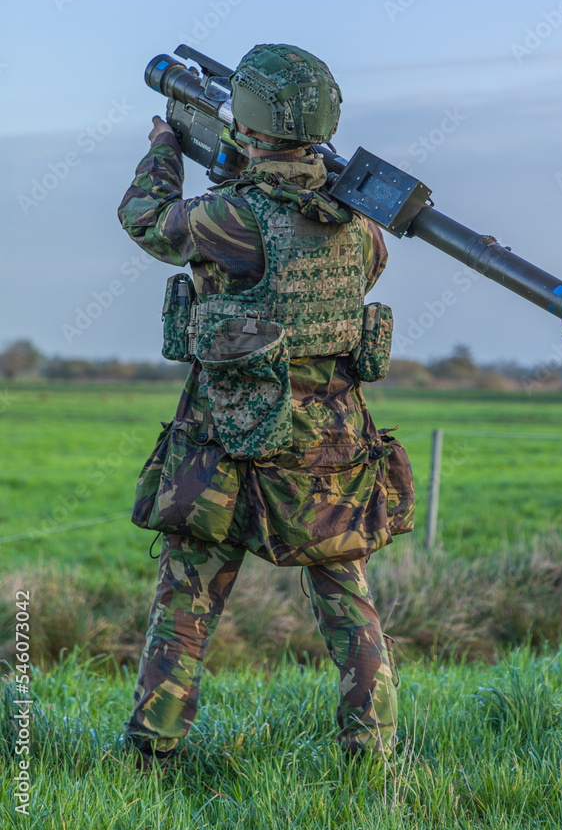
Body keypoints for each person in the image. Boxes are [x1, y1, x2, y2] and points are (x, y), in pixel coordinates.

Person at [117, 43, 414, 773]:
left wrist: (164, 147)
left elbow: (145, 218)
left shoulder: (233, 215)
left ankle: (153, 754)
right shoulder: (362, 226)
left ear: (247, 121)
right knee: (347, 599)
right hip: (330, 442)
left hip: (227, 435)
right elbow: (355, 268)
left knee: (187, 598)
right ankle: (372, 755)